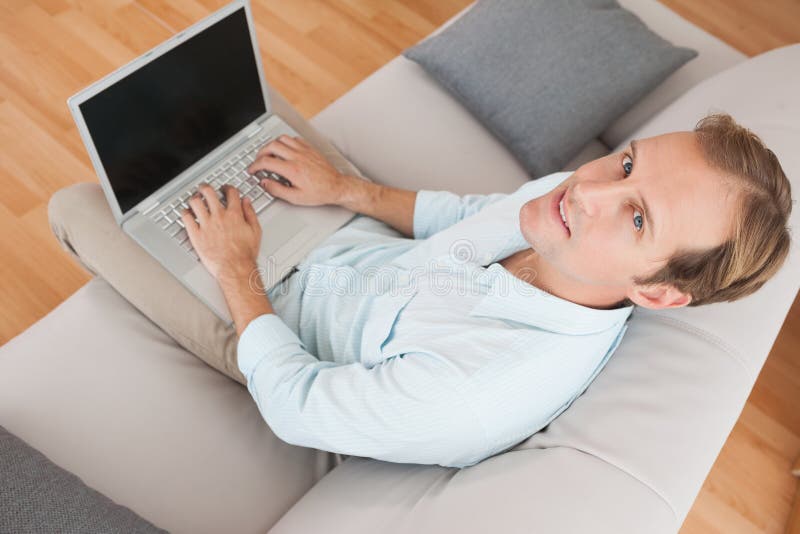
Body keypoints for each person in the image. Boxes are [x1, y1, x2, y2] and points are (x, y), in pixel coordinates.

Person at [179, 112, 791, 468]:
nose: (587, 190)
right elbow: (469, 213)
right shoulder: (562, 209)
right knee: (237, 121)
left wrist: (236, 268)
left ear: (656, 292)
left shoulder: (477, 391)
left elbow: (296, 404)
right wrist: (343, 189)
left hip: (269, 326)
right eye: (628, 164)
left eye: (637, 219)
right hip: (350, 243)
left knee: (103, 198)